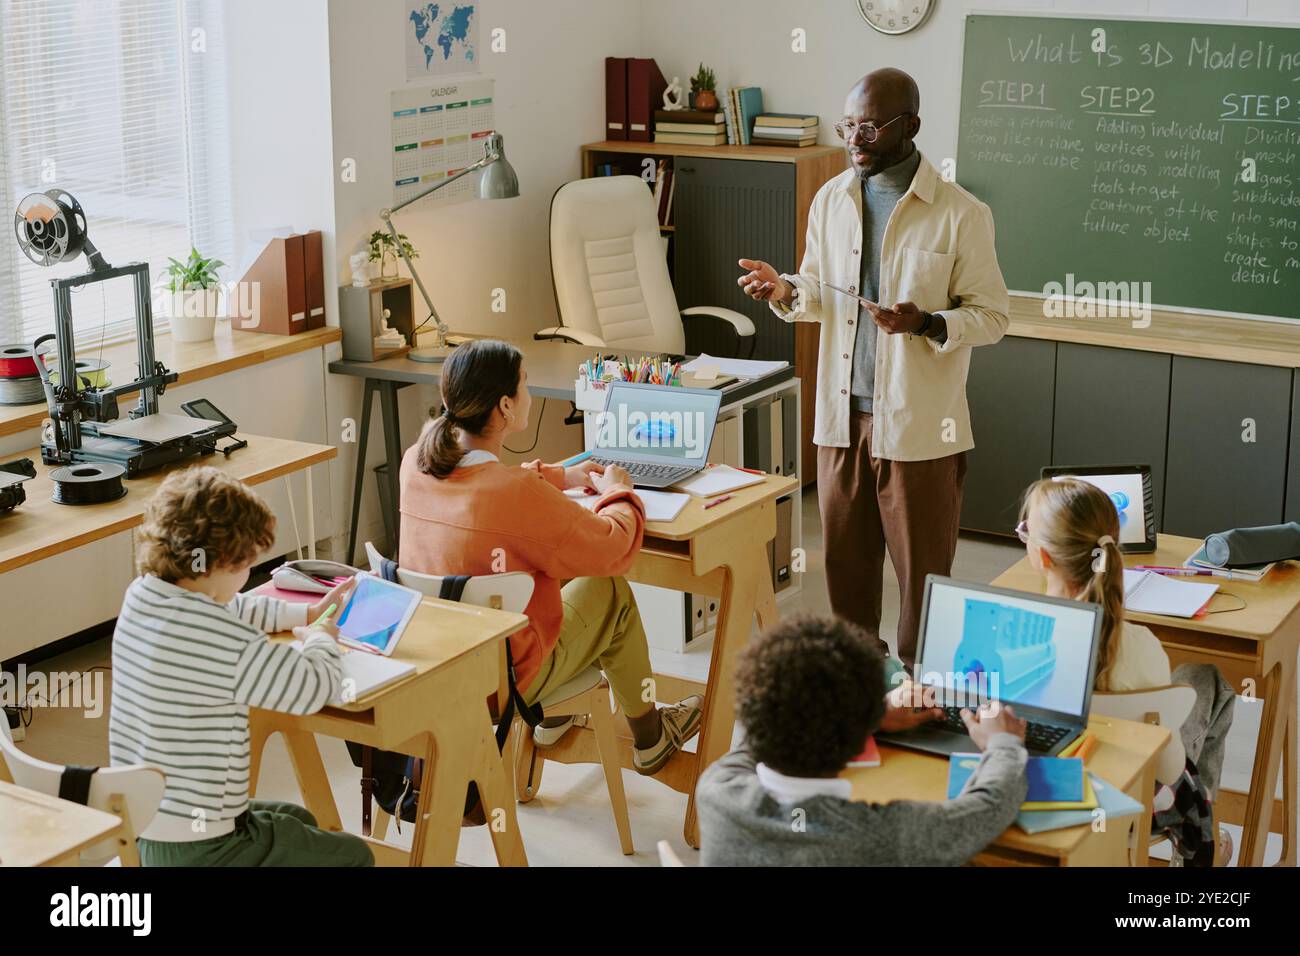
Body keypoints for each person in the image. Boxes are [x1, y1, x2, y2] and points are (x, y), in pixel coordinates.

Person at [737, 67, 1009, 670]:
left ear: (910, 126)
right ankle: (858, 698)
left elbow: (991, 317)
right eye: (847, 125)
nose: (854, 139)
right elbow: (816, 291)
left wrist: (926, 323)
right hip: (840, 423)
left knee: (923, 585)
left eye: (869, 126)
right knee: (846, 580)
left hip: (919, 430)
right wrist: (782, 289)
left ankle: (921, 700)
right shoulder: (831, 199)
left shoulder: (962, 214)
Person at [398, 339, 702, 774]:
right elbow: (612, 549)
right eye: (525, 385)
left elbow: (491, 484)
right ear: (505, 406)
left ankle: (555, 720)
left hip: (441, 665)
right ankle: (652, 738)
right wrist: (619, 492)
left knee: (543, 571)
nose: (530, 394)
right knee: (608, 590)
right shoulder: (514, 496)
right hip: (504, 681)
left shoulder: (416, 463)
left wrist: (559, 476)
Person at [110, 467, 371, 866]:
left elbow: (232, 606)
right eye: (248, 564)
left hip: (146, 830)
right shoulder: (222, 640)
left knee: (299, 818)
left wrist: (306, 614)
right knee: (353, 855)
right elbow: (312, 687)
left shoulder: (145, 597)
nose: (250, 574)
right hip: (200, 849)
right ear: (221, 563)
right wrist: (322, 638)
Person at [1019, 476, 1236, 864]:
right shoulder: (1141, 646)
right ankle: (1204, 844)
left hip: (1043, 795)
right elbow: (1169, 767)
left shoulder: (1016, 636)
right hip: (1131, 804)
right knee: (1208, 680)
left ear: (1043, 557)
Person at [696, 613, 1028, 866]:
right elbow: (988, 809)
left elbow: (758, 737)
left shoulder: (715, 791)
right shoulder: (881, 836)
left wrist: (868, 714)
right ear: (857, 743)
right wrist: (1004, 745)